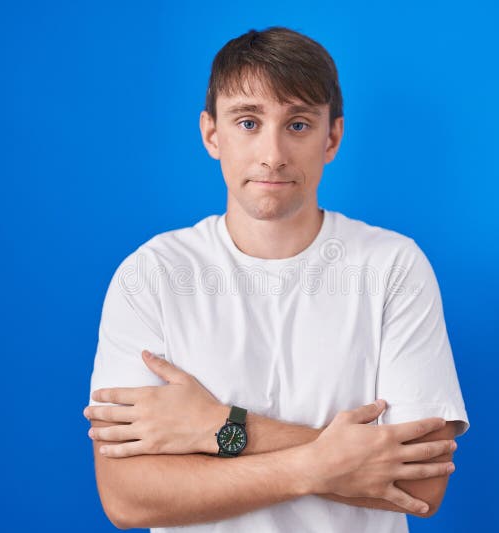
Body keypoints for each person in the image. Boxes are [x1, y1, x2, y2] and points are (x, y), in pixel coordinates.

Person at [83, 26, 470, 532]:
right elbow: (128, 498)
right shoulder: (151, 275)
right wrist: (318, 463)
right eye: (248, 122)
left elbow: (420, 487)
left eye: (298, 125)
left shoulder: (393, 265)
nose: (273, 154)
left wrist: (221, 428)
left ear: (331, 137)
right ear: (211, 134)